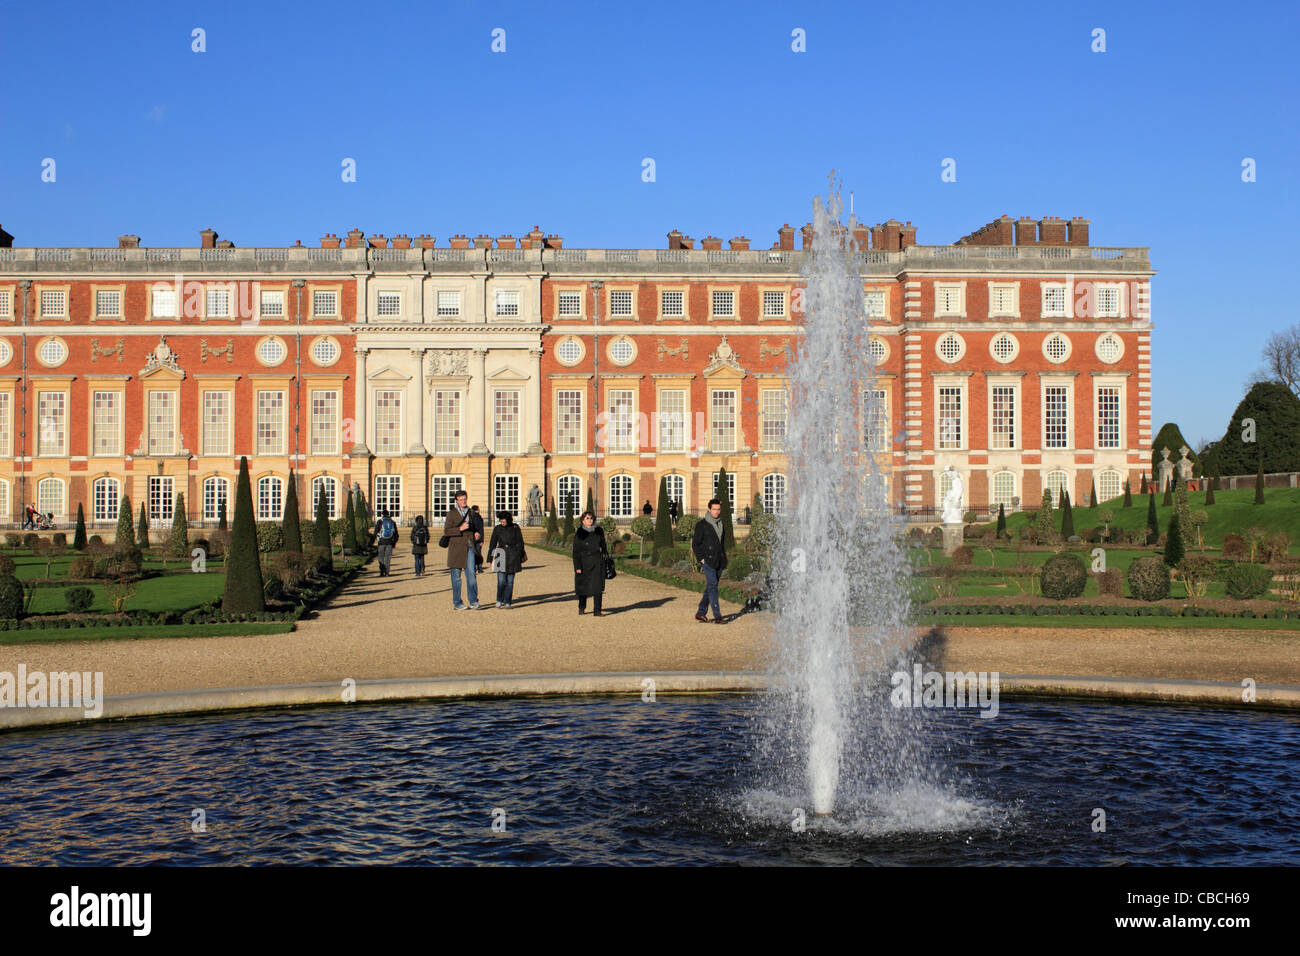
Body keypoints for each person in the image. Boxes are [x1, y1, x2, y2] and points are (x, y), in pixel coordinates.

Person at [691, 498, 728, 624]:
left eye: (718, 509)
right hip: (708, 561)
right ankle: (717, 616)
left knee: (711, 587)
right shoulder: (702, 525)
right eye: (714, 509)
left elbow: (722, 543)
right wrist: (702, 559)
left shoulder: (721, 523)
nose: (717, 512)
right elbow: (695, 544)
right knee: (713, 587)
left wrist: (724, 557)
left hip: (719, 560)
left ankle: (700, 612)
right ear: (709, 509)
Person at [443, 490, 479, 610]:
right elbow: (447, 531)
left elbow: (474, 527)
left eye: (464, 499)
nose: (463, 501)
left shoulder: (471, 512)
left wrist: (476, 533)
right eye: (461, 499)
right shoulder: (451, 514)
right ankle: (457, 603)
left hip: (469, 546)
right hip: (456, 548)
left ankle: (473, 601)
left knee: (471, 575)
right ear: (457, 501)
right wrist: (460, 528)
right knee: (456, 577)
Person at [572, 510, 607, 617]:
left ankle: (597, 610)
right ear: (582, 521)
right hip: (584, 562)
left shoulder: (598, 531)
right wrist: (577, 566)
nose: (590, 520)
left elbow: (604, 544)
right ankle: (582, 607)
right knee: (583, 586)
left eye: (591, 518)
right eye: (587, 518)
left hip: (597, 562)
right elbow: (576, 552)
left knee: (598, 587)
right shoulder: (580, 533)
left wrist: (602, 549)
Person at [488, 510, 527, 608]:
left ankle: (507, 601)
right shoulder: (497, 528)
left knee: (510, 581)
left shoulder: (515, 527)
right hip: (500, 554)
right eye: (501, 521)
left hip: (513, 555)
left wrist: (519, 554)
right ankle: (499, 599)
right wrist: (489, 558)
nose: (502, 523)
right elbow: (492, 543)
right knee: (501, 581)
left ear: (508, 520)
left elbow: (520, 542)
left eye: (503, 521)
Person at [373, 510, 399, 576]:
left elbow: (375, 532)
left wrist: (373, 540)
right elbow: (396, 534)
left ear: (382, 514)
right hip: (390, 542)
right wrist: (394, 543)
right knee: (388, 557)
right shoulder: (392, 522)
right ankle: (387, 572)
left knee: (381, 557)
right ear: (388, 514)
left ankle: (382, 571)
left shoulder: (380, 521)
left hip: (381, 541)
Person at [468, 505, 485, 572]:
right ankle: (480, 567)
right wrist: (482, 540)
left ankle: (473, 567)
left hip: (471, 538)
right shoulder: (479, 518)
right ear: (477, 510)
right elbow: (481, 530)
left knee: (472, 553)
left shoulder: (469, 518)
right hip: (478, 538)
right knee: (479, 553)